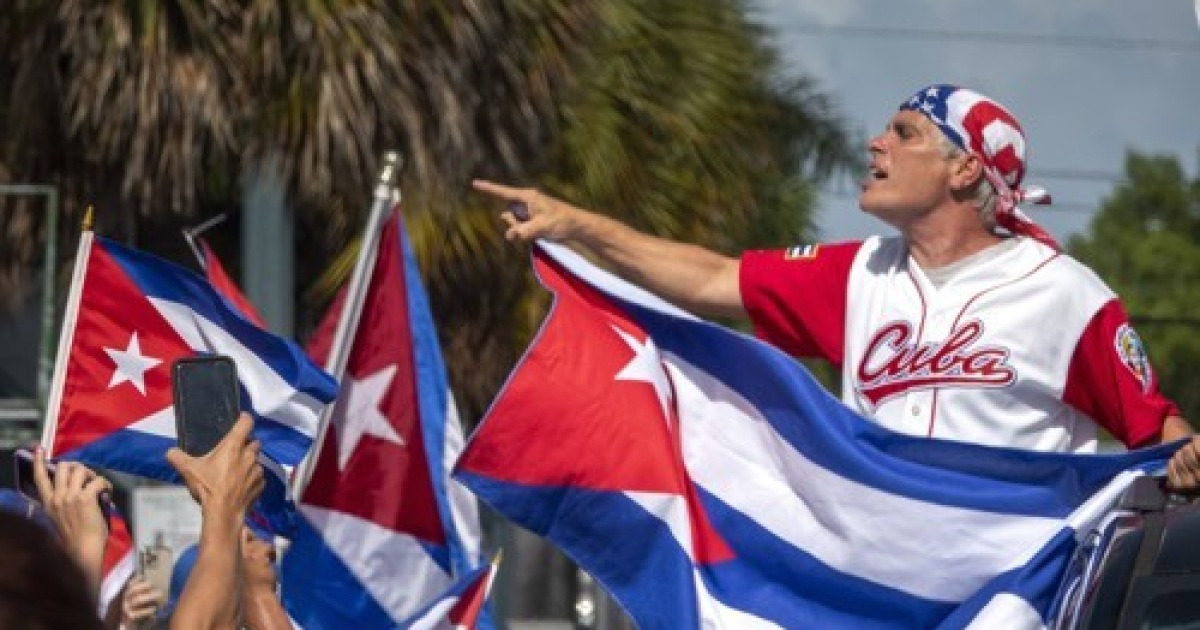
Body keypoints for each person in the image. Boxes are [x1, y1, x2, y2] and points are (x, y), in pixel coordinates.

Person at [472, 83, 1200, 490]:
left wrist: (1189, 459)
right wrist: (576, 224)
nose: (875, 143)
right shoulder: (860, 274)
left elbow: (1156, 433)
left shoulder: (1063, 292)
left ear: (967, 170)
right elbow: (712, 276)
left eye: (905, 132)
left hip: (1016, 583)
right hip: (884, 580)